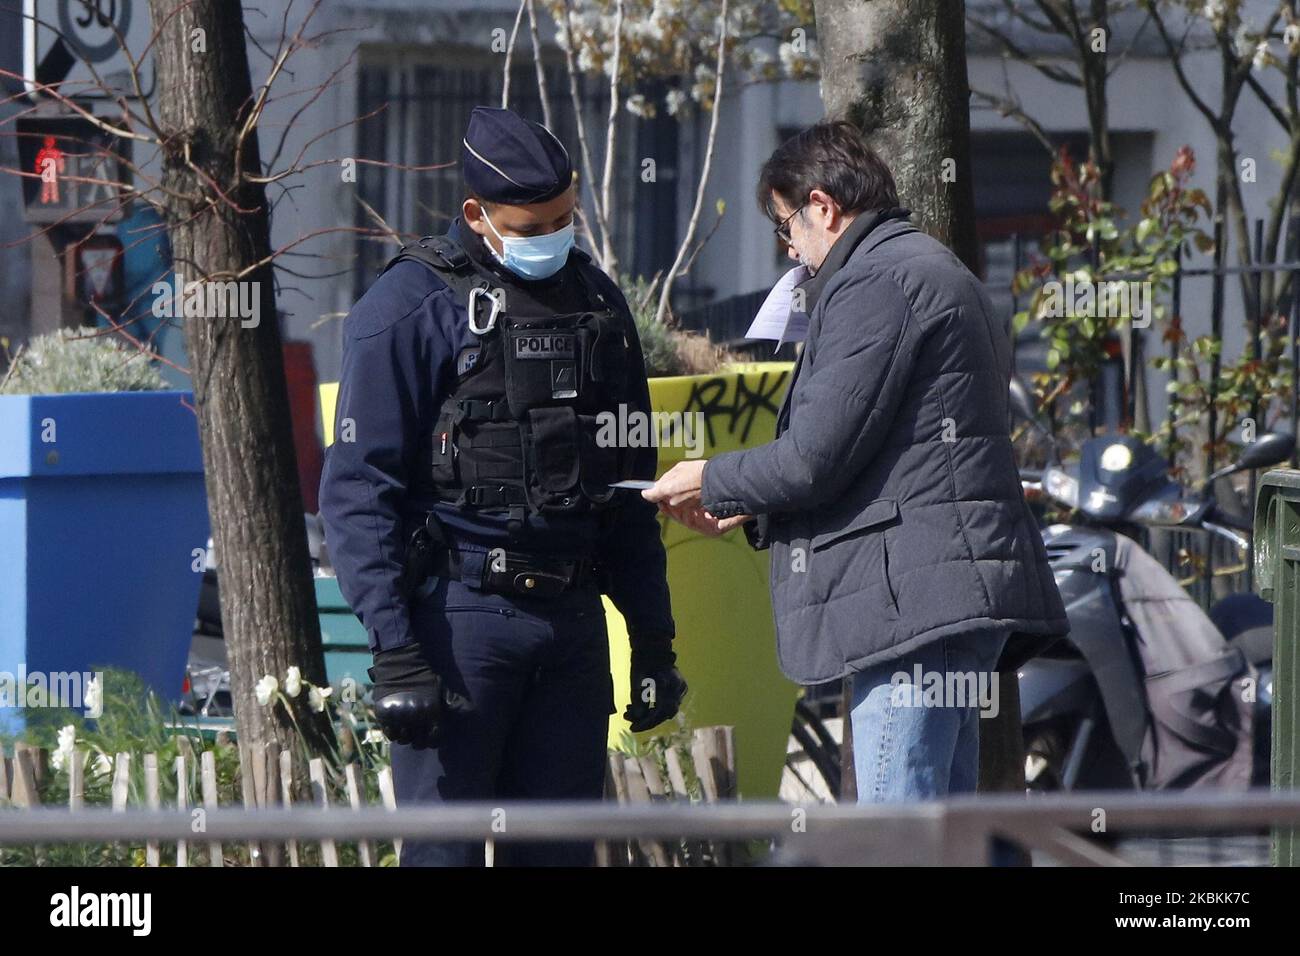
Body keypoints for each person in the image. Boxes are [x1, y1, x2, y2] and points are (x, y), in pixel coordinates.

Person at [645, 121, 1067, 803]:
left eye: (786, 228)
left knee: (897, 836)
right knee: (937, 841)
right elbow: (884, 448)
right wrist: (750, 502)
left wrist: (712, 477)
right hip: (944, 596)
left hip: (913, 612)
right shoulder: (932, 267)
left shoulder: (876, 283)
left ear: (822, 206)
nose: (790, 250)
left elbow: (814, 458)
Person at [319, 106, 685, 866]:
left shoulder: (598, 303)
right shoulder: (409, 308)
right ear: (475, 214)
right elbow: (359, 490)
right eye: (531, 225)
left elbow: (627, 488)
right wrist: (394, 650)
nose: (553, 236)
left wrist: (652, 640)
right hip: (460, 628)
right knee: (443, 858)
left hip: (573, 626)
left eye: (564, 217)